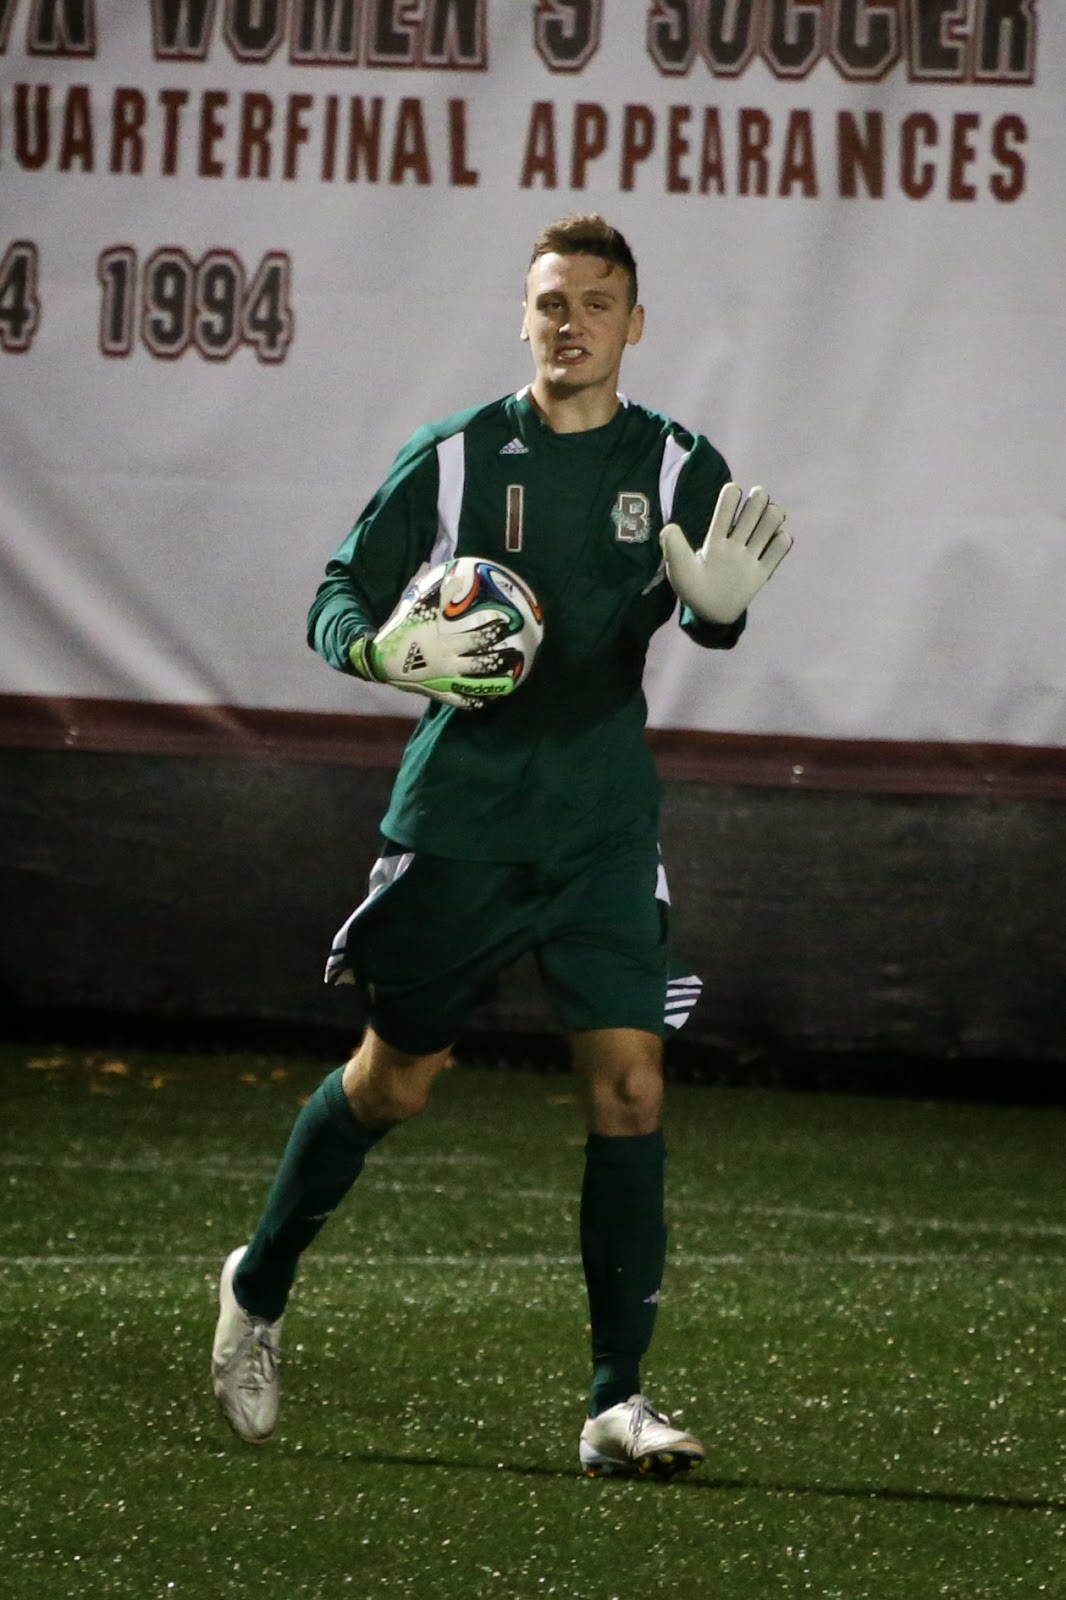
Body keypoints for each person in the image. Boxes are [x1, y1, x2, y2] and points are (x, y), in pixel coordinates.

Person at [211, 213, 792, 1478]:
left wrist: (727, 620)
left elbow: (712, 613)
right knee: (394, 1082)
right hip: (463, 826)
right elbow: (336, 592)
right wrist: (378, 649)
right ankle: (255, 1286)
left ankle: (613, 1401)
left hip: (600, 829)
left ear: (635, 323)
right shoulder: (460, 457)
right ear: (522, 317)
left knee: (632, 1087)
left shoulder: (681, 464)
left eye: (595, 301)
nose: (568, 321)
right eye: (548, 302)